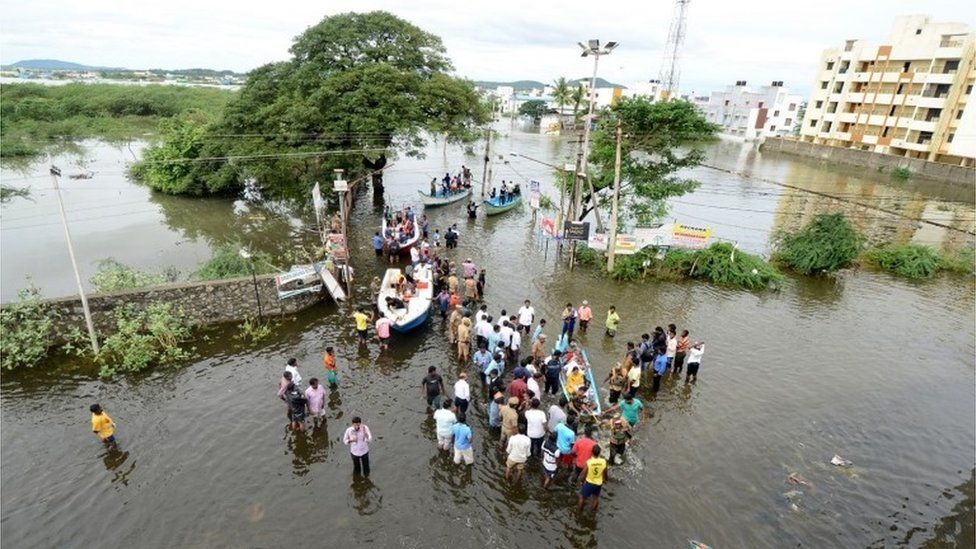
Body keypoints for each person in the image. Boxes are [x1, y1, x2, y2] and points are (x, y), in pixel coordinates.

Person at [578, 445, 608, 511]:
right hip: (598, 484)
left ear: (592, 452)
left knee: (582, 497)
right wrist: (605, 480)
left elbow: (583, 473)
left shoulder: (589, 462)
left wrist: (581, 480)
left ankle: (579, 511)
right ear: (599, 453)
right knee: (596, 498)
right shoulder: (603, 461)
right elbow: (605, 473)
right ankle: (592, 511)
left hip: (589, 483)